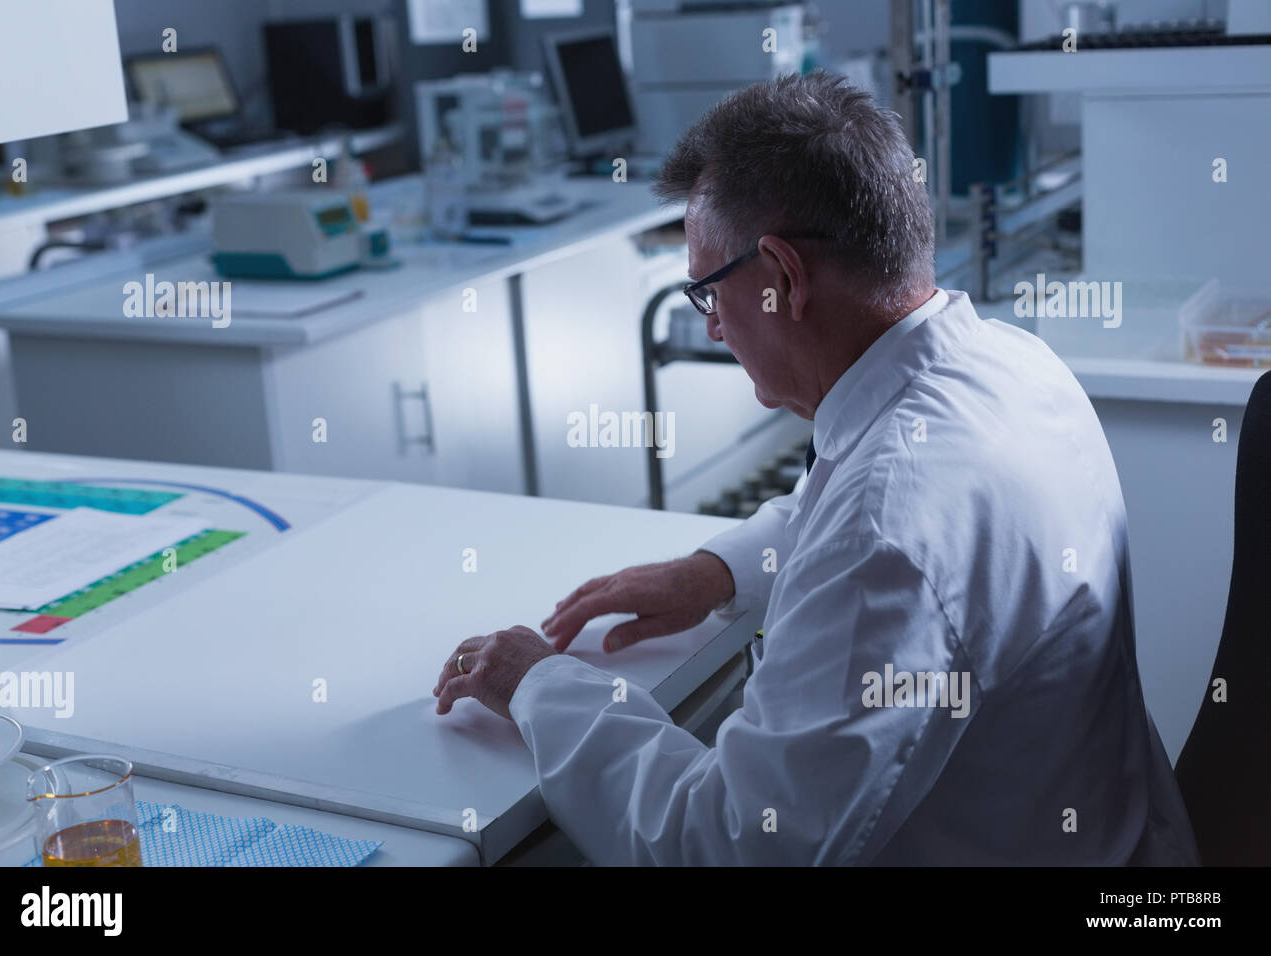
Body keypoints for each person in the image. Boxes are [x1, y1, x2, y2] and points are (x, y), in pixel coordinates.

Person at [433, 71, 1199, 865]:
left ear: (785, 279)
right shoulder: (1008, 361)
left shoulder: (888, 529)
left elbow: (724, 845)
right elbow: (849, 501)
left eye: (707, 294)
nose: (715, 332)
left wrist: (541, 687)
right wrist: (714, 572)